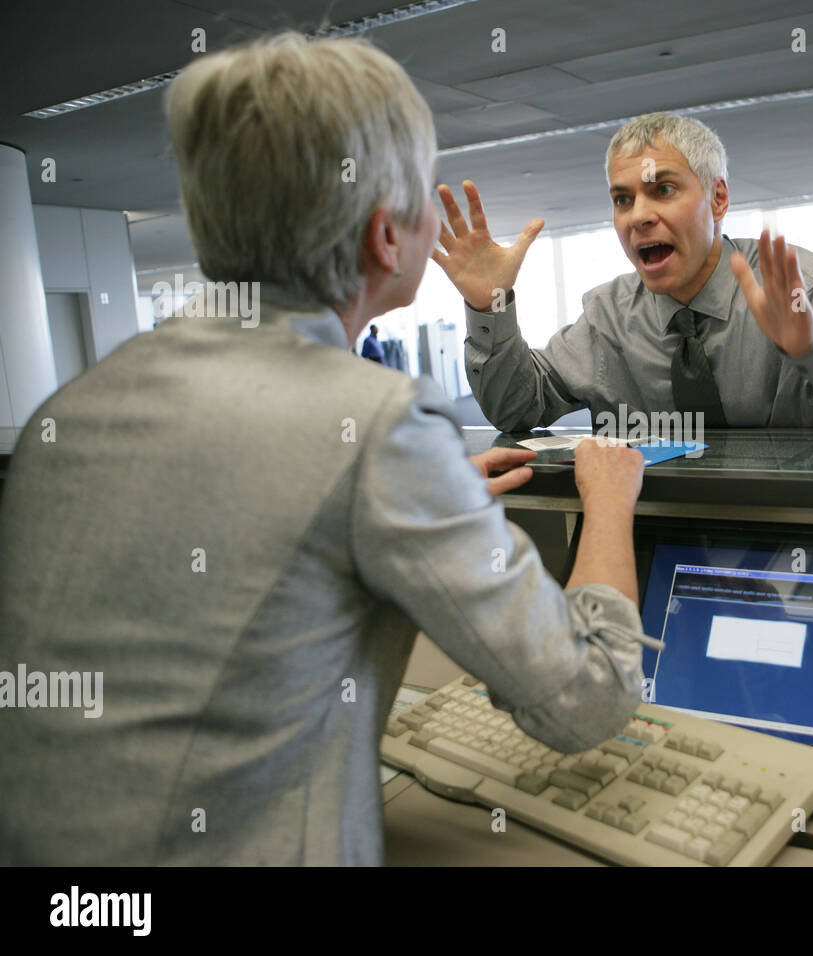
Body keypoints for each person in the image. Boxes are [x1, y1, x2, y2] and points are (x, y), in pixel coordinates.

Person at [0, 33, 650, 866]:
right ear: (387, 236)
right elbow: (588, 700)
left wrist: (421, 494)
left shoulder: (78, 407)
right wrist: (607, 510)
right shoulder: (375, 426)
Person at [436, 112, 813, 434]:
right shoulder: (606, 316)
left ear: (718, 198)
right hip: (654, 548)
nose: (637, 216)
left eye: (663, 190)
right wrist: (489, 308)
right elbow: (517, 410)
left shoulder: (799, 285)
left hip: (789, 545)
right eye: (622, 199)